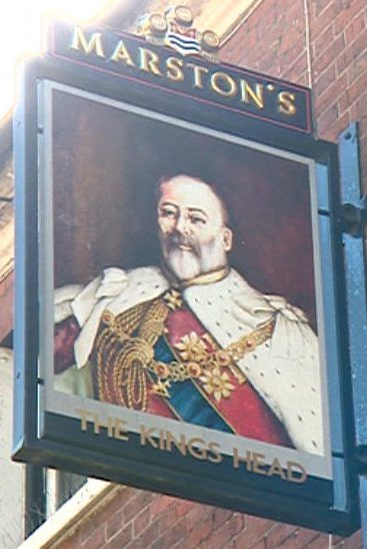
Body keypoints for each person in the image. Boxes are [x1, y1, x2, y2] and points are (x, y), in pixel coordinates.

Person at [51, 174, 324, 455]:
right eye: (169, 213)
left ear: (226, 239)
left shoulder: (279, 329)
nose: (180, 228)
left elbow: (316, 448)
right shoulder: (121, 292)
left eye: (196, 219)